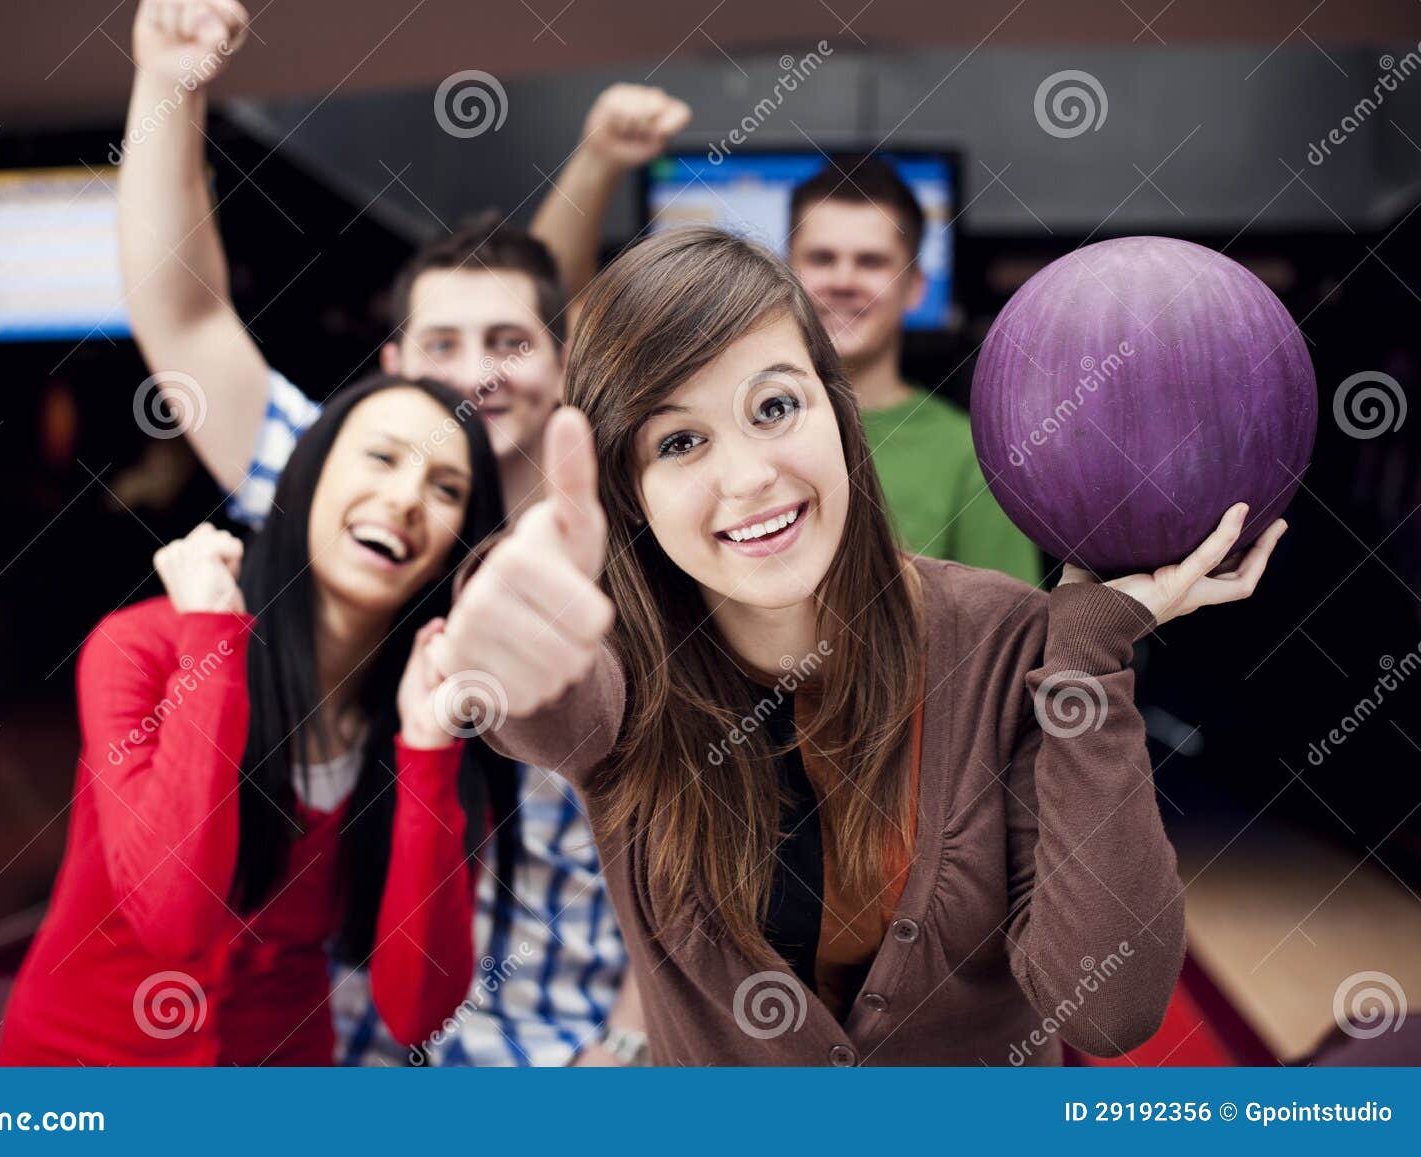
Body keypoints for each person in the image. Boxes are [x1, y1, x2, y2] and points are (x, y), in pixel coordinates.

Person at [429, 227, 1289, 1065]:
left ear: (836, 411)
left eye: (775, 406)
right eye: (679, 441)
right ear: (631, 491)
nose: (750, 475)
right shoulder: (620, 668)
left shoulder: (1007, 638)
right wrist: (506, 625)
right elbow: (543, 702)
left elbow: (1108, 1008)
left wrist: (1092, 653)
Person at [116, 0, 637, 1065]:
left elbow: (700, 830)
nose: (475, 369)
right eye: (442, 340)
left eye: (507, 340)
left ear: (560, 357)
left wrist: (629, 1048)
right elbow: (186, 316)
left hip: (565, 1051)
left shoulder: (636, 542)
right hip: (356, 1048)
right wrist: (167, 84)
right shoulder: (337, 483)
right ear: (395, 367)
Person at [0, 374, 509, 1065]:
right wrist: (211, 639)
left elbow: (418, 1010)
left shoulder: (437, 705)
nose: (405, 497)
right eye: (382, 458)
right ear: (305, 477)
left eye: (446, 488)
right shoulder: (144, 647)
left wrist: (427, 748)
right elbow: (173, 918)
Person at [534, 105, 1041, 583]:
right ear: (784, 275)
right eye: (822, 258)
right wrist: (598, 158)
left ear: (915, 287)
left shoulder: (968, 454)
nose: (844, 280)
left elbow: (1005, 637)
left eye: (871, 262)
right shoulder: (695, 406)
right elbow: (553, 315)